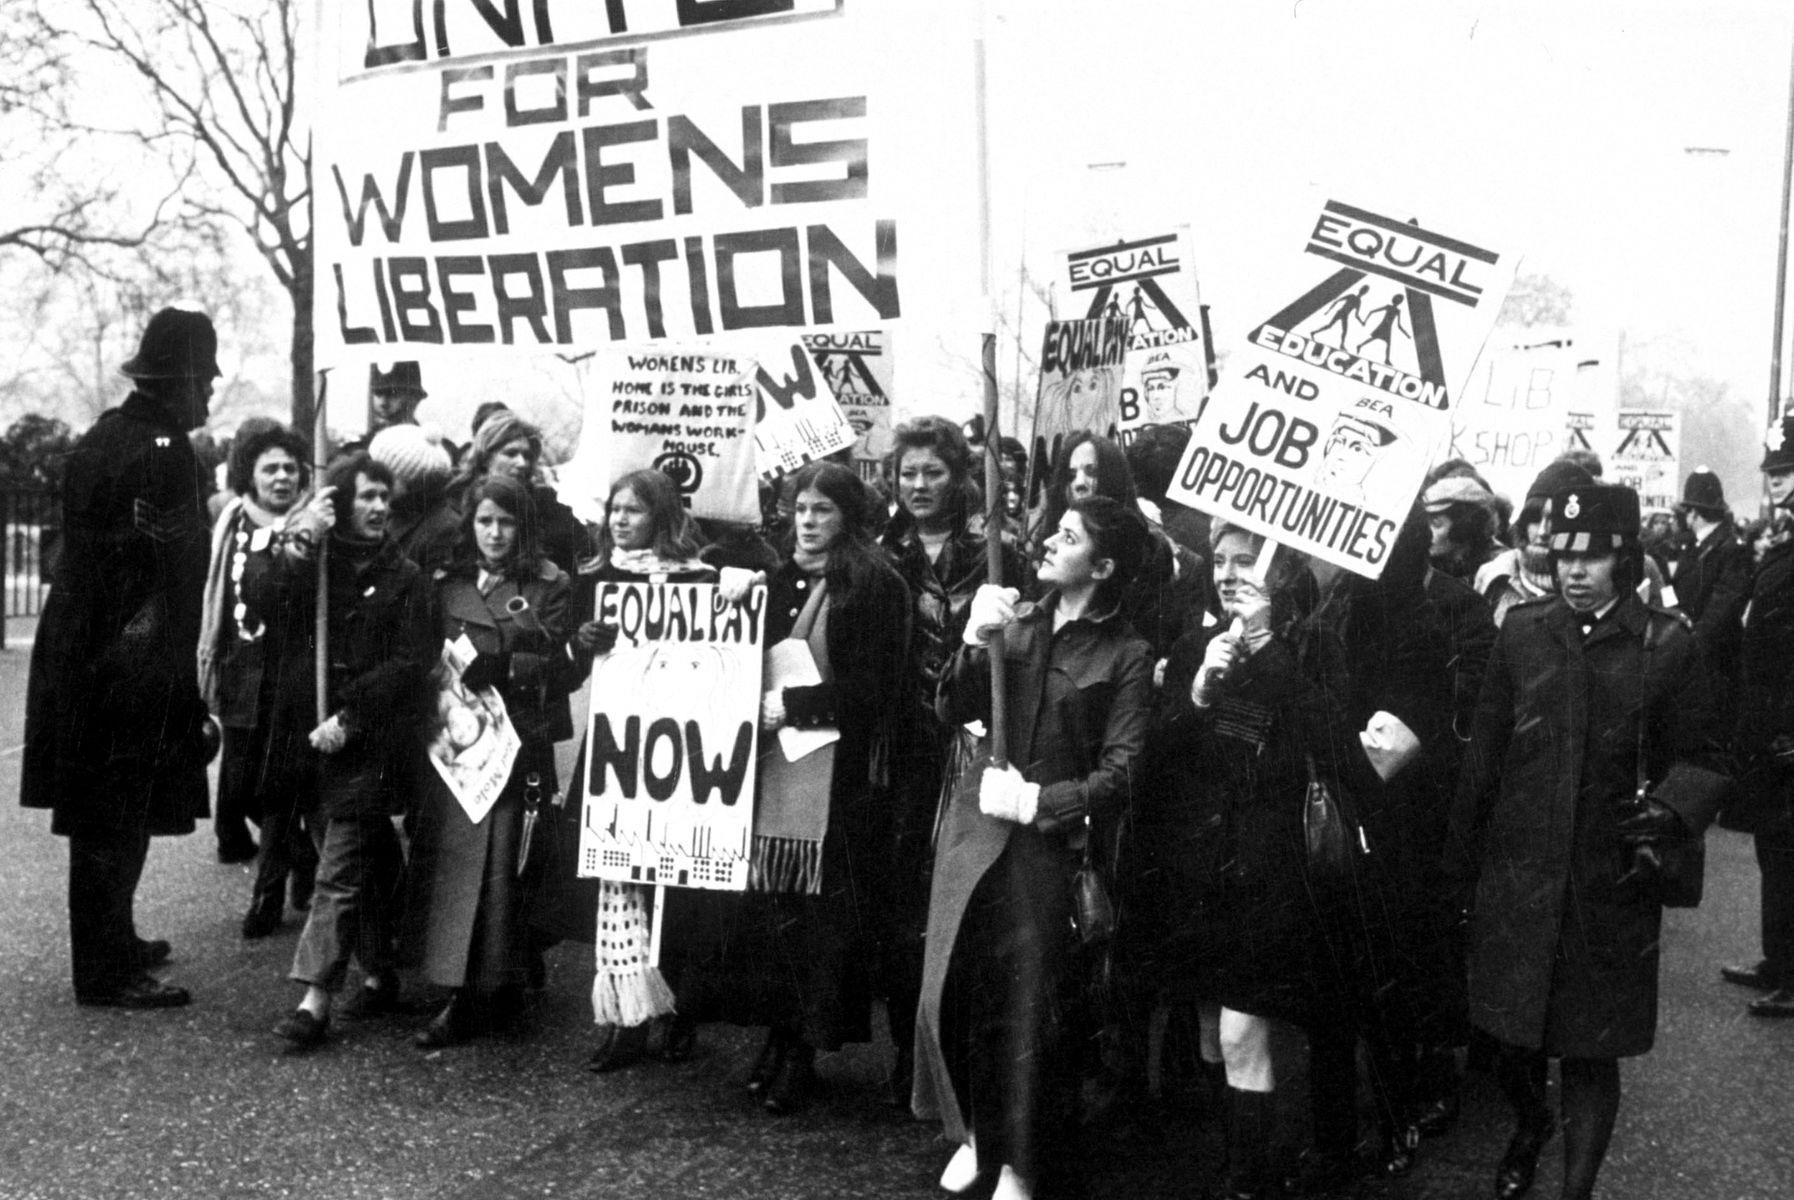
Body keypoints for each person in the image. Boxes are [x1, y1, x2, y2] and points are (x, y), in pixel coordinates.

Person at [1448, 482, 1729, 1200]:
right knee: (1508, 1038)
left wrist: (1669, 810)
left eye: (1593, 557)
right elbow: (1484, 759)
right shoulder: (1522, 633)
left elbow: (1706, 757)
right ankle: (1530, 1124)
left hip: (1608, 882)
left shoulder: (1667, 645)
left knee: (1590, 1051)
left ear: (1624, 560)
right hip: (1520, 875)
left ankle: (1576, 1190)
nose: (1574, 571)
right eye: (1563, 554)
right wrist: (1459, 869)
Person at [915, 496, 1154, 1200]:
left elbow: (1124, 772)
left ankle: (1021, 1159)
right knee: (960, 983)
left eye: (1068, 537)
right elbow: (952, 709)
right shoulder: (1016, 618)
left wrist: (1039, 803)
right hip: (978, 837)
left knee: (1028, 1005)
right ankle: (976, 1133)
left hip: (1050, 851)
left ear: (1102, 568)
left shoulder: (1128, 654)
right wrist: (971, 641)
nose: (1048, 540)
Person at [675, 462, 910, 1115]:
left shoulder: (873, 585)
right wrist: (731, 599)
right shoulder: (775, 578)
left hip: (838, 783)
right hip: (774, 771)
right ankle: (779, 1037)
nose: (807, 521)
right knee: (774, 918)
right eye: (799, 508)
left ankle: (804, 1051)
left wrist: (799, 707)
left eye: (822, 510)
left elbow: (878, 689)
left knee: (819, 927)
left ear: (848, 516)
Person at [1148, 523, 1366, 1200]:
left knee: (1244, 1031)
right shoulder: (1196, 645)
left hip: (1275, 869)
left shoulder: (1314, 646)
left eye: (1246, 561)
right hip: (1204, 867)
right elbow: (1157, 762)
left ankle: (1249, 1181)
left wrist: (1269, 648)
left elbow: (1335, 745)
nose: (1228, 574)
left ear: (1281, 572)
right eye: (1220, 560)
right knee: (1217, 1032)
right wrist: (1197, 694)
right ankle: (1242, 1157)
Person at [21, 306, 222, 1009]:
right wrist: (152, 665)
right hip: (127, 657)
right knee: (114, 815)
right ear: (182, 381)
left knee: (110, 811)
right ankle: (104, 971)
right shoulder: (164, 451)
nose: (212, 389)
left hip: (86, 653)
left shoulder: (105, 435)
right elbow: (158, 570)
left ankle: (115, 941)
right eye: (205, 378)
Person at [568, 468, 770, 1071]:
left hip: (688, 755)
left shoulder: (702, 578)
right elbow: (569, 668)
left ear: (661, 516)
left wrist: (743, 585)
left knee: (683, 890)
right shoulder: (598, 580)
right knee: (621, 876)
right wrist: (580, 643)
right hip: (623, 751)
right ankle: (627, 1016)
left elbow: (747, 638)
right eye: (614, 509)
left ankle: (680, 1011)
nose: (620, 520)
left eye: (633, 510)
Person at [255, 453, 433, 1049]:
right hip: (307, 737)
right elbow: (261, 598)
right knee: (365, 864)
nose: (379, 507)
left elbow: (411, 661)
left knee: (337, 870)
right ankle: (380, 971)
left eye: (385, 496)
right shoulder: (316, 560)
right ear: (339, 502)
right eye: (366, 496)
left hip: (368, 741)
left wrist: (351, 717)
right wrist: (302, 536)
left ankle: (314, 999)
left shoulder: (406, 576)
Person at [877, 417, 1030, 1105]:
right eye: (907, 473)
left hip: (974, 743)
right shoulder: (881, 553)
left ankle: (962, 1056)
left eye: (932, 472)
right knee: (902, 899)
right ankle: (907, 1052)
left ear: (959, 477)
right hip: (902, 747)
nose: (918, 485)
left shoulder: (998, 554)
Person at [400, 475, 578, 1048]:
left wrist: (506, 667)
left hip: (516, 746)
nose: (495, 533)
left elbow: (562, 665)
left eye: (506, 522)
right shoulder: (445, 582)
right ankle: (465, 988)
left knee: (507, 868)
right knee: (458, 866)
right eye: (484, 521)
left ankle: (492, 986)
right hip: (456, 746)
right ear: (469, 524)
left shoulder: (549, 583)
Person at [199, 422, 322, 937]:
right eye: (270, 468)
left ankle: (267, 896)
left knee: (277, 789)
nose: (282, 477)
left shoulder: (311, 525)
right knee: (239, 791)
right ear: (249, 473)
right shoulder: (232, 520)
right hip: (239, 671)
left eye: (290, 468)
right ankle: (303, 857)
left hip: (290, 675)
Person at [1720, 417, 1794, 1017]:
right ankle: (1780, 961)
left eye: (1788, 472)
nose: (1778, 482)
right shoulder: (1783, 542)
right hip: (1772, 726)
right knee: (1776, 848)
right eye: (1774, 472)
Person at [450, 412, 587, 574]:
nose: (522, 463)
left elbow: (587, 555)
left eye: (527, 456)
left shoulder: (549, 508)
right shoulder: (456, 506)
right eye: (511, 453)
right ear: (486, 457)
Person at [1668, 468, 1749, 725]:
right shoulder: (1696, 545)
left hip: (1713, 659)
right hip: (1691, 654)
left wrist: (1689, 642)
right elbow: (1676, 589)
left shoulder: (1730, 548)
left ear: (1693, 513)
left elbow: (1723, 607)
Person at [1475, 460, 1596, 625]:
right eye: (1534, 518)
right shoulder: (1495, 575)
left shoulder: (1595, 582)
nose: (1542, 531)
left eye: (1554, 520)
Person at [370, 423, 460, 578]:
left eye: (381, 474)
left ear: (409, 479)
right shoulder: (394, 511)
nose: (372, 480)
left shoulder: (444, 529)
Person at [1421, 474, 1502, 582]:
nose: (1425, 532)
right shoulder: (1431, 562)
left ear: (1463, 527)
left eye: (1436, 524)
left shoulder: (1496, 568)